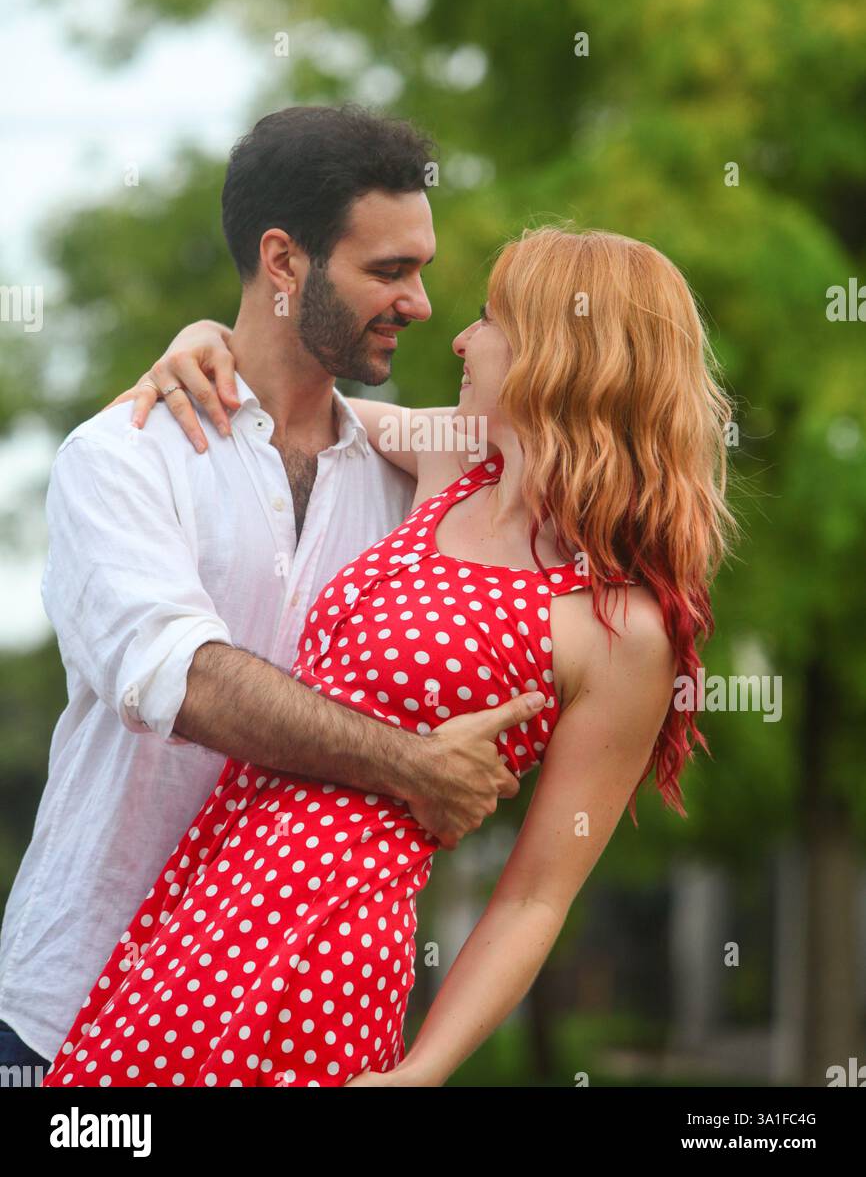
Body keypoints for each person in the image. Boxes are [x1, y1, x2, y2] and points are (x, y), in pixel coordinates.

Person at [43, 224, 737, 1087]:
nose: (459, 335)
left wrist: (424, 1070)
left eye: (491, 318)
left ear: (561, 352)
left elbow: (534, 897)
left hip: (332, 944)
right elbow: (276, 409)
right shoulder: (449, 461)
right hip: (202, 896)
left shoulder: (620, 629)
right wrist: (202, 341)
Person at [0, 104, 533, 1079]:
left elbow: (577, 441)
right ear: (282, 263)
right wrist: (413, 766)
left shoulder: (410, 477)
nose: (419, 303)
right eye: (387, 271)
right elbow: (185, 683)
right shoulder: (121, 456)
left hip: (289, 1028)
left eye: (419, 268)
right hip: (69, 1014)